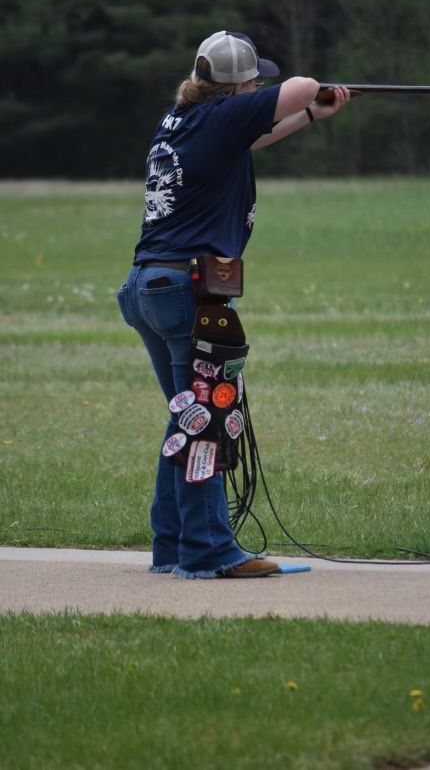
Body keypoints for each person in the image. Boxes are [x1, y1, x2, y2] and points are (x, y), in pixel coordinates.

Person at [117, 30, 350, 579]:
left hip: (151, 285)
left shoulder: (185, 118)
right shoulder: (223, 117)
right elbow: (302, 86)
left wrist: (314, 116)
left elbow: (257, 135)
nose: (261, 87)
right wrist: (312, 95)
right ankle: (208, 551)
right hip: (187, 290)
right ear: (239, 87)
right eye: (254, 82)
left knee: (188, 416)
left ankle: (172, 547)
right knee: (207, 423)